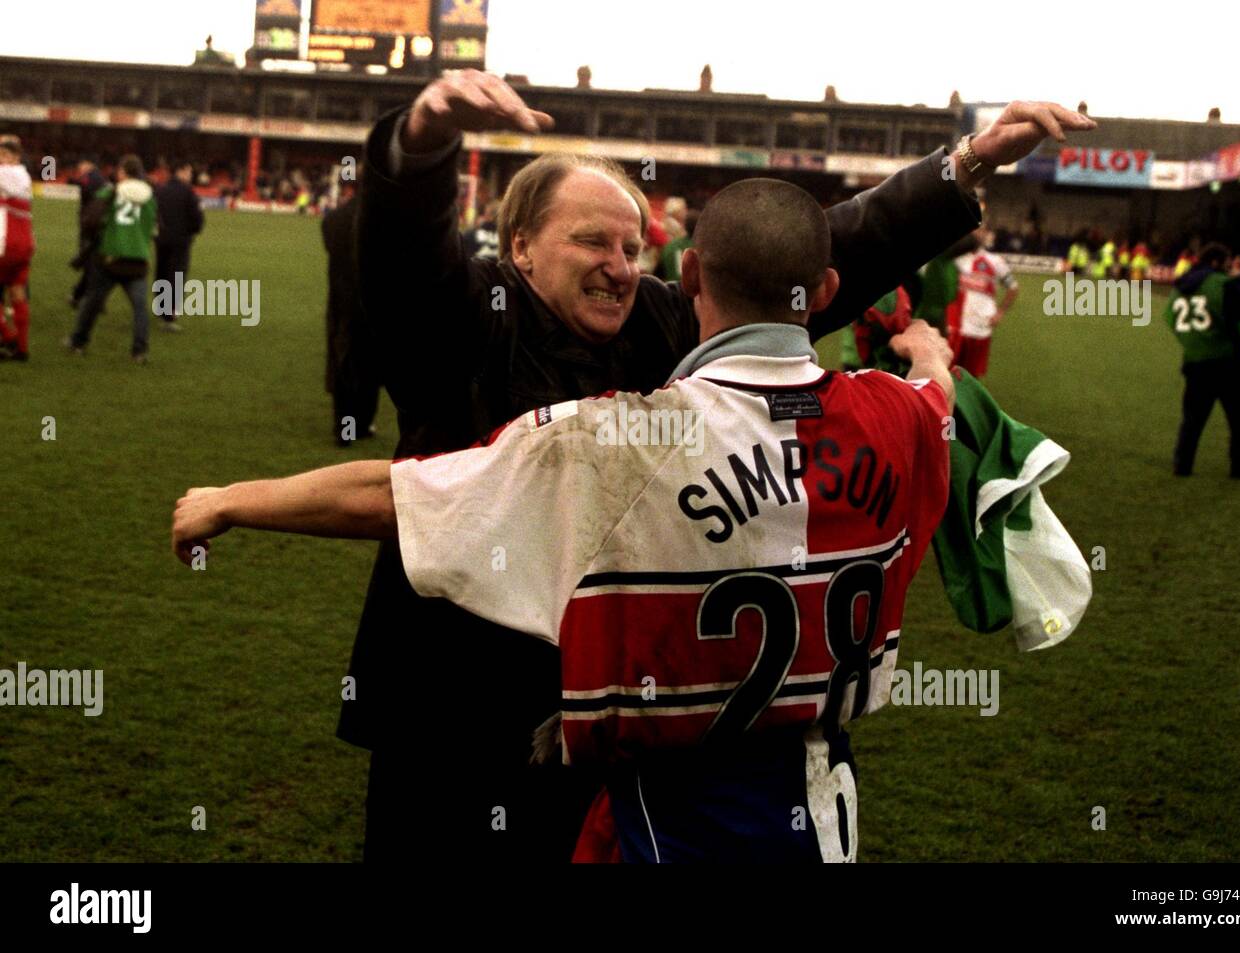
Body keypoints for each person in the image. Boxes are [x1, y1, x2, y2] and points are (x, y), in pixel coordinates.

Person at [346, 70, 1094, 863]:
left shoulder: (659, 323)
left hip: (608, 709)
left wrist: (968, 164)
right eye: (593, 241)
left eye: (633, 246)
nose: (621, 266)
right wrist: (422, 137)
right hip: (453, 706)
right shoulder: (464, 321)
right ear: (520, 244)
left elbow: (799, 257)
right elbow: (403, 252)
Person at [172, 177, 957, 862]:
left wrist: (234, 499)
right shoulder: (896, 414)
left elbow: (396, 494)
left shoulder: (614, 438)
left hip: (674, 815)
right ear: (823, 293)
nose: (619, 266)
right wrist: (929, 354)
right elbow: (935, 398)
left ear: (687, 272)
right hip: (820, 806)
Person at [1164, 243, 1240, 479]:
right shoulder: (1223, 284)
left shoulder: (1181, 287)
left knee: (1192, 420)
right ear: (1216, 262)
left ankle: (1182, 464)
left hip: (1195, 362)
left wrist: (1193, 342)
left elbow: (1169, 316)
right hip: (1228, 363)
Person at [66, 155, 157, 363]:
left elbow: (92, 219)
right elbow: (155, 226)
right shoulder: (151, 196)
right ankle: (139, 351)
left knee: (92, 302)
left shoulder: (111, 192)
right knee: (140, 308)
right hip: (138, 259)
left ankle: (78, 342)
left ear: (123, 172)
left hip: (110, 257)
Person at [322, 195, 381, 446]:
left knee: (344, 364)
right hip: (376, 304)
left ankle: (344, 429)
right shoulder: (385, 217)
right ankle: (362, 424)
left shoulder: (334, 218)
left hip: (342, 302)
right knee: (372, 366)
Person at [951, 229, 1019, 377]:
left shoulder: (995, 261)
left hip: (980, 328)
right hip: (956, 326)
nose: (976, 235)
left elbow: (1013, 288)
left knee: (971, 376)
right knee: (948, 372)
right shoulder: (956, 258)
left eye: (980, 231)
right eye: (973, 231)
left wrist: (1000, 313)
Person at [153, 161, 204, 330]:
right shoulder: (188, 192)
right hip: (181, 240)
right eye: (189, 171)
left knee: (161, 272)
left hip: (161, 238)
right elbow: (196, 218)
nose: (190, 175)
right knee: (176, 275)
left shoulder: (161, 189)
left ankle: (160, 308)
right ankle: (169, 316)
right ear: (181, 171)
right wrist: (193, 230)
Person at [0, 135, 34, 362]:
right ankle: (21, 348)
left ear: (15, 157)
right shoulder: (25, 177)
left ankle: (9, 336)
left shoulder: (6, 173)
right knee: (17, 292)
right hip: (26, 244)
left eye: (4, 155)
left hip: (6, 243)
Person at [69, 155, 107, 309]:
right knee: (93, 264)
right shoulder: (101, 179)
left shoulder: (90, 178)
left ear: (89, 164)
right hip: (98, 223)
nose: (80, 168)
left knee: (90, 263)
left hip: (90, 223)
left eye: (82, 164)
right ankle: (85, 297)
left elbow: (86, 191)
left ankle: (85, 298)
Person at [656, 207, 698, 283]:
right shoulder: (703, 248)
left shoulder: (670, 246)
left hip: (670, 290)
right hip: (695, 292)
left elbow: (658, 274)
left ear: (684, 226)